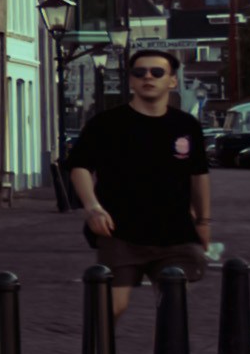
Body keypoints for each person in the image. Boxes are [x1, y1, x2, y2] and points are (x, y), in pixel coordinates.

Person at [65, 50, 220, 317]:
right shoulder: (107, 124)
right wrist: (92, 207)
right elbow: (79, 166)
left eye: (157, 72)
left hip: (175, 232)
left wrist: (204, 222)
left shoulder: (186, 125)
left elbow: (198, 175)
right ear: (131, 81)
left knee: (172, 307)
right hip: (120, 231)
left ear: (172, 81)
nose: (148, 77)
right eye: (139, 72)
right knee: (113, 307)